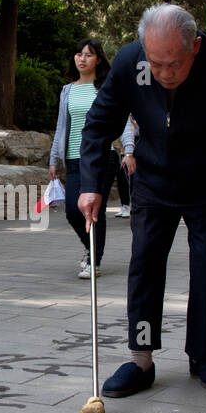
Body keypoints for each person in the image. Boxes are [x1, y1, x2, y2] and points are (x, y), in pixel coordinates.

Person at [77, 3, 206, 396]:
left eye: (173, 64)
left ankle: (205, 355)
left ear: (194, 46)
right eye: (155, 63)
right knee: (144, 265)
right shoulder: (131, 62)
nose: (163, 74)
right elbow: (98, 125)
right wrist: (91, 184)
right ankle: (140, 359)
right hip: (153, 183)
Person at [49, 40, 134, 277]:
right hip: (74, 158)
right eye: (79, 54)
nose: (82, 58)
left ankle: (94, 260)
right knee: (72, 211)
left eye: (89, 54)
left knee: (95, 207)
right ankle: (90, 246)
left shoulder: (106, 88)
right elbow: (61, 126)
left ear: (98, 59)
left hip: (101, 157)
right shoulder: (68, 90)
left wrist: (128, 150)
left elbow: (123, 119)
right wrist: (53, 159)